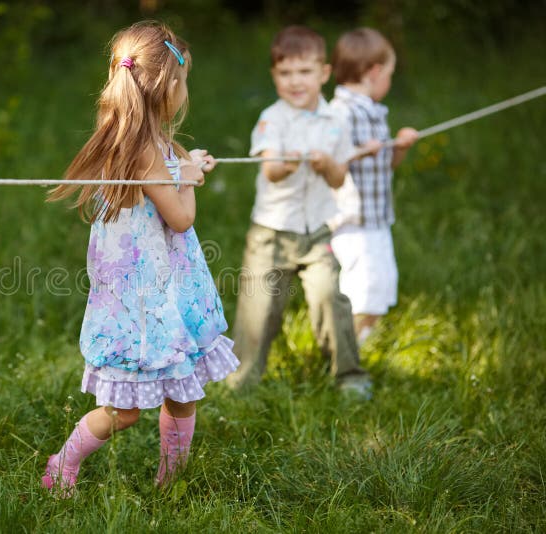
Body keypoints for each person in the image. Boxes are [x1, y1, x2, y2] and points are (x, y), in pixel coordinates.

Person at [42, 21, 239, 496]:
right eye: (184, 80)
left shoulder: (146, 141)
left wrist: (188, 162)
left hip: (166, 292)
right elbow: (181, 218)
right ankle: (61, 463)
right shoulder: (144, 152)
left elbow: (172, 172)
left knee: (182, 391)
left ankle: (171, 480)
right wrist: (188, 179)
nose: (185, 90)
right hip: (142, 302)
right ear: (169, 86)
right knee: (124, 411)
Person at [225, 25, 371, 398]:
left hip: (318, 230)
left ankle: (348, 375)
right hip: (271, 233)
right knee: (259, 307)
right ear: (274, 77)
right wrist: (288, 162)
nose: (295, 82)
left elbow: (339, 179)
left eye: (304, 72)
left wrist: (327, 166)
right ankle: (241, 381)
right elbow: (271, 170)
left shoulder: (336, 121)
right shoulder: (272, 119)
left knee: (329, 296)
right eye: (285, 73)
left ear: (323, 74)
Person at [328, 28, 419, 346]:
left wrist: (400, 148)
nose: (389, 82)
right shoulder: (340, 112)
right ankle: (344, 352)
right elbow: (329, 161)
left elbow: (383, 164)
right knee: (360, 289)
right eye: (390, 74)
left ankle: (359, 345)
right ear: (375, 72)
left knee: (380, 285)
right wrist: (358, 151)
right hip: (353, 220)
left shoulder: (374, 112)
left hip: (377, 217)